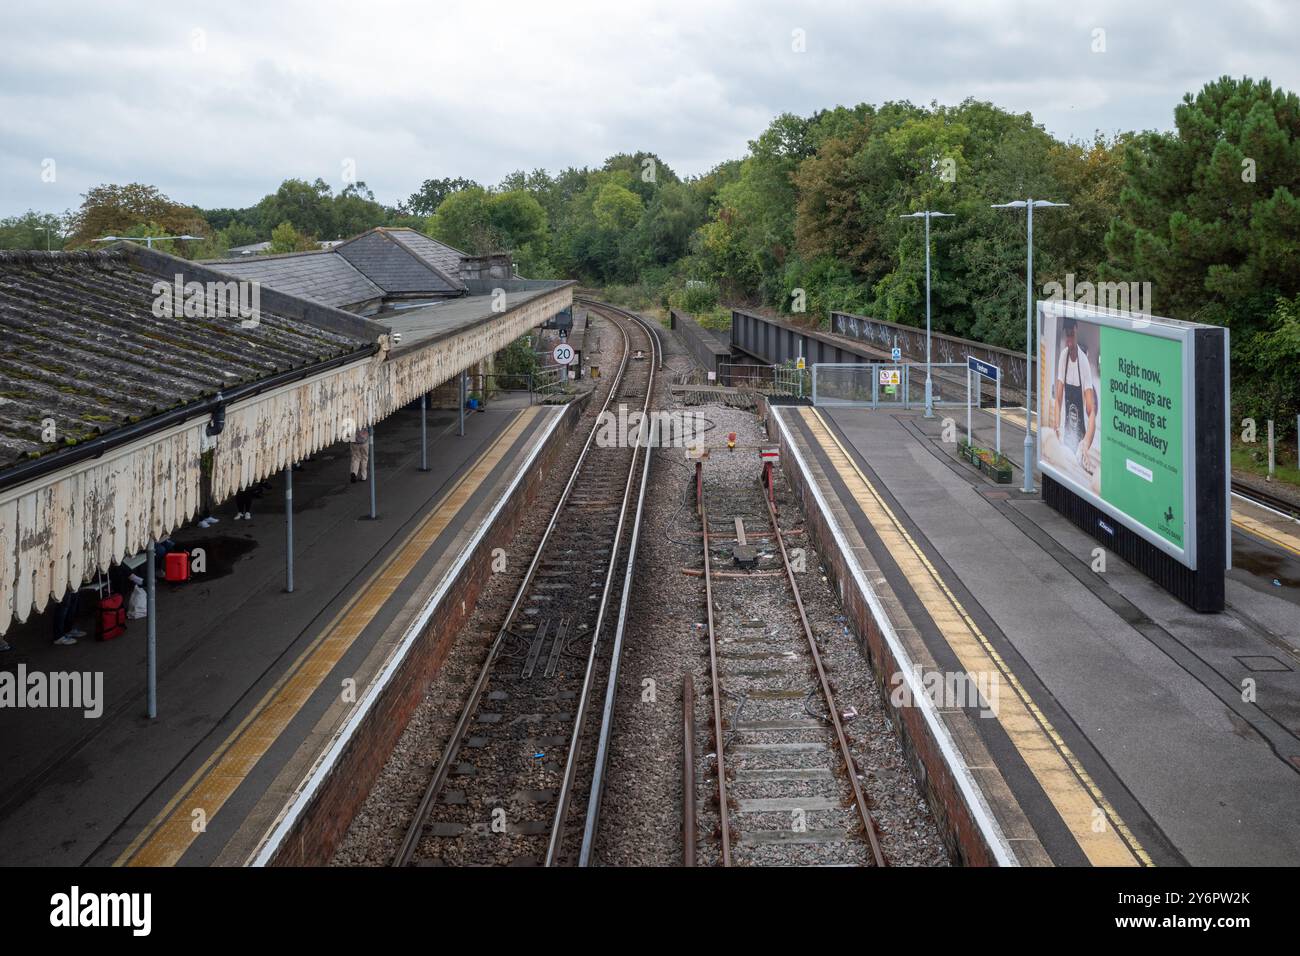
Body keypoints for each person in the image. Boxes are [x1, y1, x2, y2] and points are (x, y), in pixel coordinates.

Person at [1051, 317, 1098, 468]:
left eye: (1072, 334)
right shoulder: (1063, 358)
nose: (1069, 338)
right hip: (1066, 436)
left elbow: (1091, 412)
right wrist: (1056, 428)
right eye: (1067, 334)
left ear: (1076, 333)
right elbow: (1058, 400)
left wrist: (1085, 445)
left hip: (1079, 437)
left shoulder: (1083, 362)